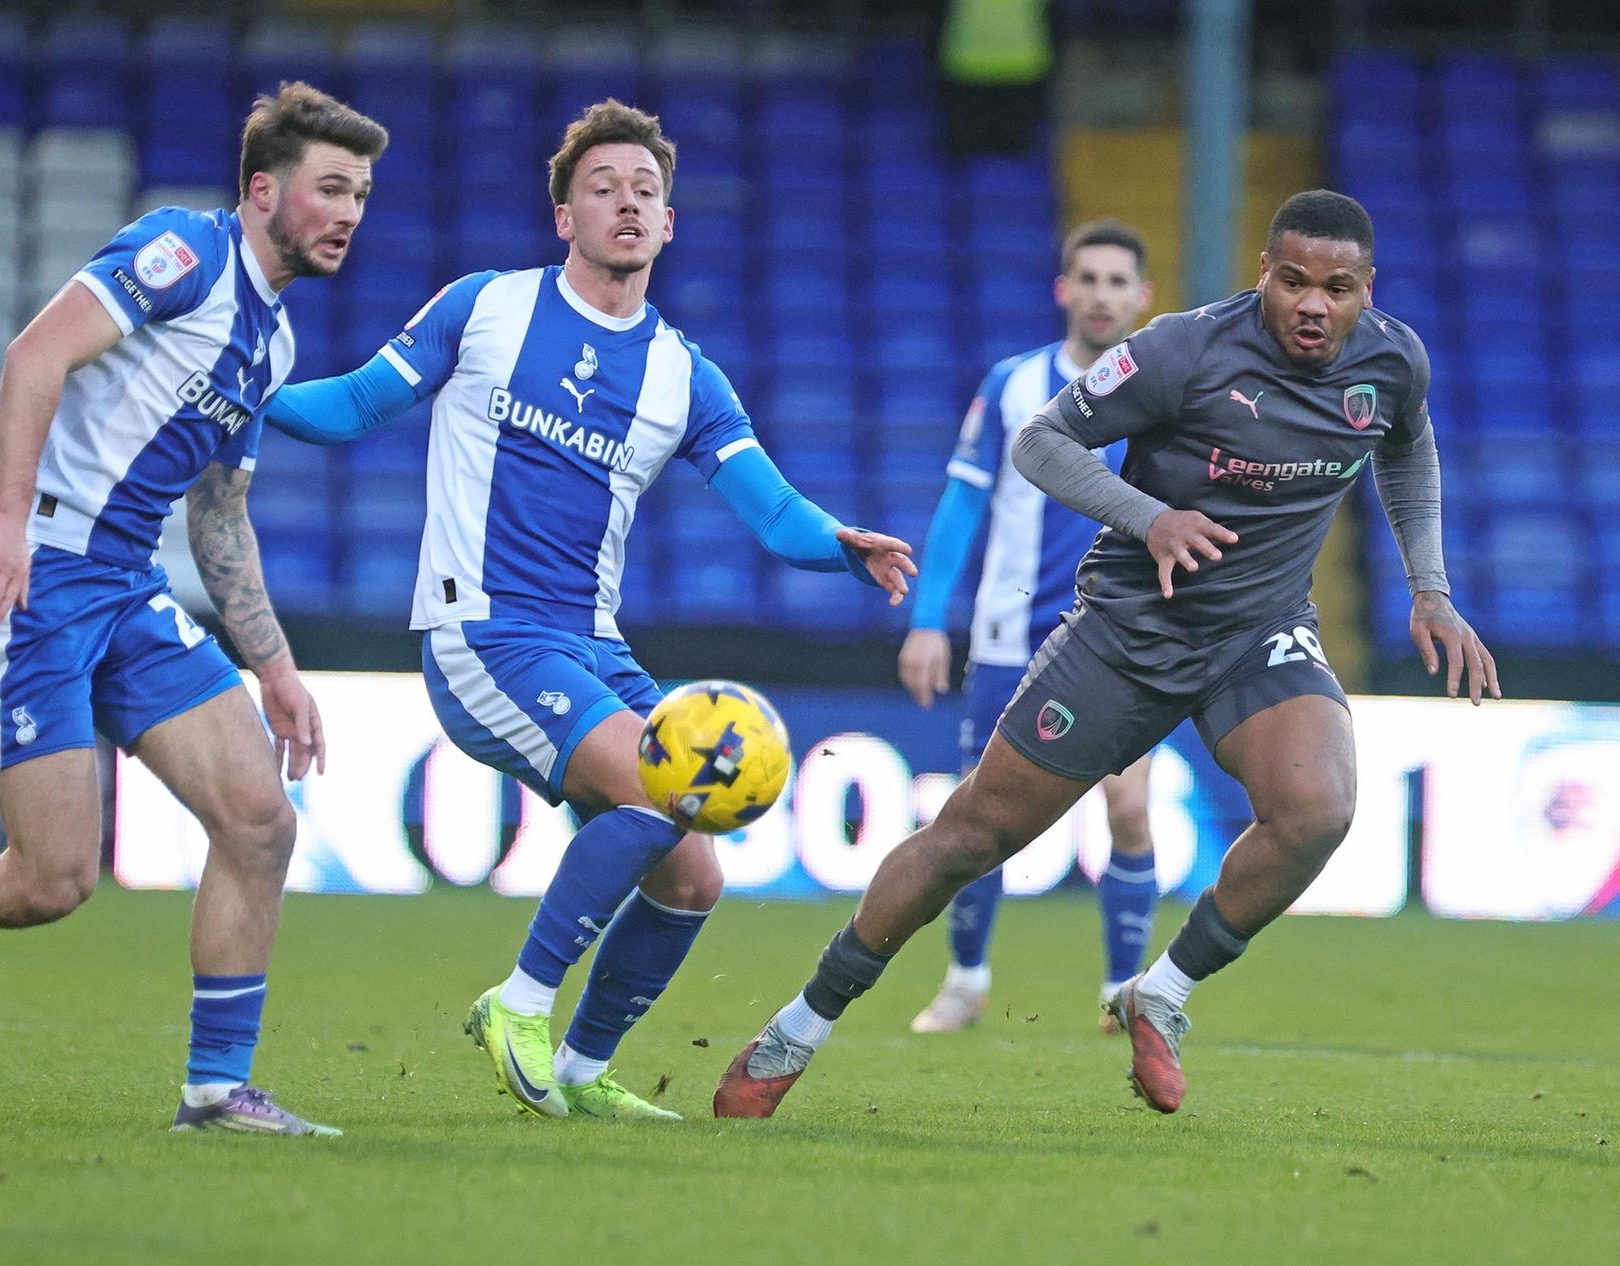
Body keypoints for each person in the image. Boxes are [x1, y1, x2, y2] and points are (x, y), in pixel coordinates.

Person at [715, 189, 1500, 1119]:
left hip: (1259, 632)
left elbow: (1407, 448)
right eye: (1292, 282)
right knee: (974, 835)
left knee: (1318, 811)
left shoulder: (1393, 360)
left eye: (1336, 288)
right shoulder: (1184, 348)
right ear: (1263, 275)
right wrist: (1151, 516)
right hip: (1131, 630)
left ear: (1368, 290)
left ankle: (1159, 993)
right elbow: (1040, 443)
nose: (1312, 306)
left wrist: (1431, 586)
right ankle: (801, 1023)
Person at [262, 100, 914, 1121]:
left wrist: (840, 545)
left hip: (594, 646)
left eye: (644, 192)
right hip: (483, 632)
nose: (625, 204)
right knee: (667, 789)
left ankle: (579, 1067)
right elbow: (353, 405)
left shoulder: (683, 376)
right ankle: (517, 1004)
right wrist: (237, 395)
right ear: (562, 215)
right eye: (602, 188)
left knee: (695, 873)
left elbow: (772, 511)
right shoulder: (483, 308)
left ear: (667, 226)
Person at [0, 85, 388, 1136]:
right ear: (263, 189)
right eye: (329, 188)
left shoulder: (272, 348)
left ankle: (217, 1093)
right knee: (48, 881)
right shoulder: (184, 251)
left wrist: (271, 666)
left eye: (359, 192)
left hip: (129, 585)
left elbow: (219, 516)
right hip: (38, 574)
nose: (349, 211)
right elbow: (34, 356)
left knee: (261, 820)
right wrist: (3, 521)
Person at [898, 219, 1162, 1035]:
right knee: (981, 818)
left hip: (1122, 638)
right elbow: (963, 502)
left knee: (1127, 809)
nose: (1102, 294)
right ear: (1064, 290)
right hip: (1011, 638)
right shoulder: (1015, 385)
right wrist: (928, 619)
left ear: (1142, 297)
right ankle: (966, 982)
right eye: (1088, 278)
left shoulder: (1166, 392)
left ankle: (1124, 993)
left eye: (1118, 281)